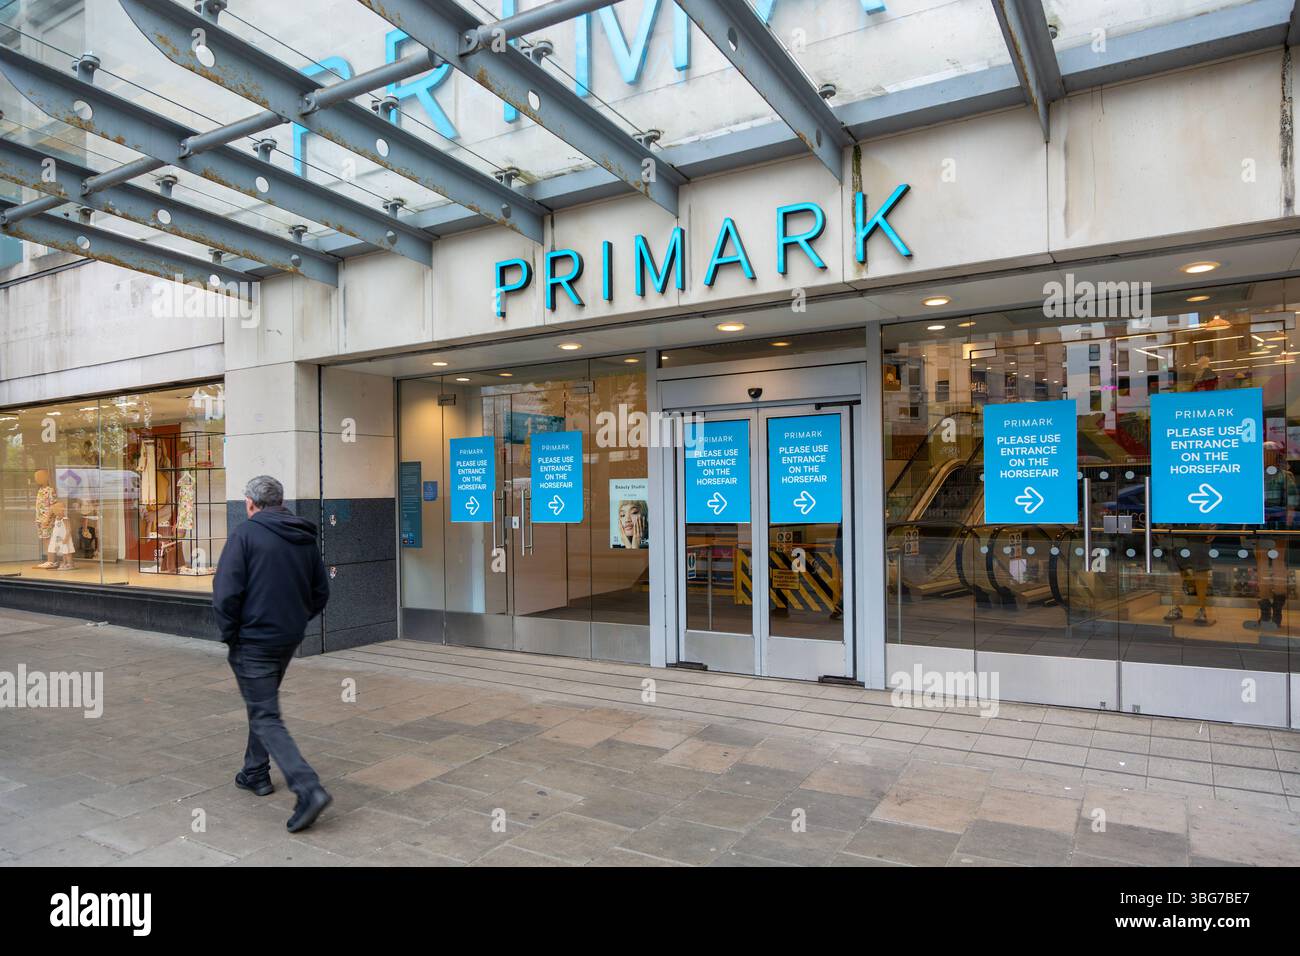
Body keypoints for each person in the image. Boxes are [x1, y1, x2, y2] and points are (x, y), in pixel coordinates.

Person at [213, 475, 332, 832]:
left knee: (265, 714)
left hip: (254, 641)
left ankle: (308, 788)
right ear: (280, 501)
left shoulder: (244, 535)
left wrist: (231, 634)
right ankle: (255, 772)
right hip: (286, 639)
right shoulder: (303, 536)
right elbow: (321, 592)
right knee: (261, 703)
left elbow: (225, 594)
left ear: (250, 503)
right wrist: (295, 621)